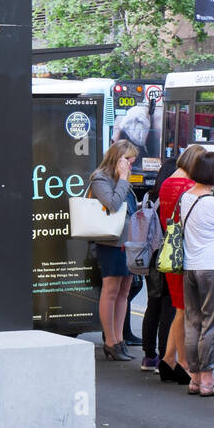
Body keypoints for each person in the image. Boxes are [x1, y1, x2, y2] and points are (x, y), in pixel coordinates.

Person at [154, 144, 205, 384]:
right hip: (186, 252)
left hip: (169, 250)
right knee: (184, 311)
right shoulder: (189, 188)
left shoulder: (167, 183)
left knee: (179, 308)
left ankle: (168, 359)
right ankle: (182, 363)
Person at [180, 151, 214, 396]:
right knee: (212, 321)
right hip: (213, 268)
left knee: (193, 322)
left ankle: (195, 378)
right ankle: (208, 380)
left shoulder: (185, 198)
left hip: (190, 266)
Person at [89, 139, 139, 361]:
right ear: (117, 158)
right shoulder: (101, 177)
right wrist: (124, 179)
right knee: (111, 289)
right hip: (110, 241)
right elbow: (113, 204)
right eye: (128, 160)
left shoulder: (121, 178)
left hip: (127, 241)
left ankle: (119, 339)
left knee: (124, 292)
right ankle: (109, 341)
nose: (131, 165)